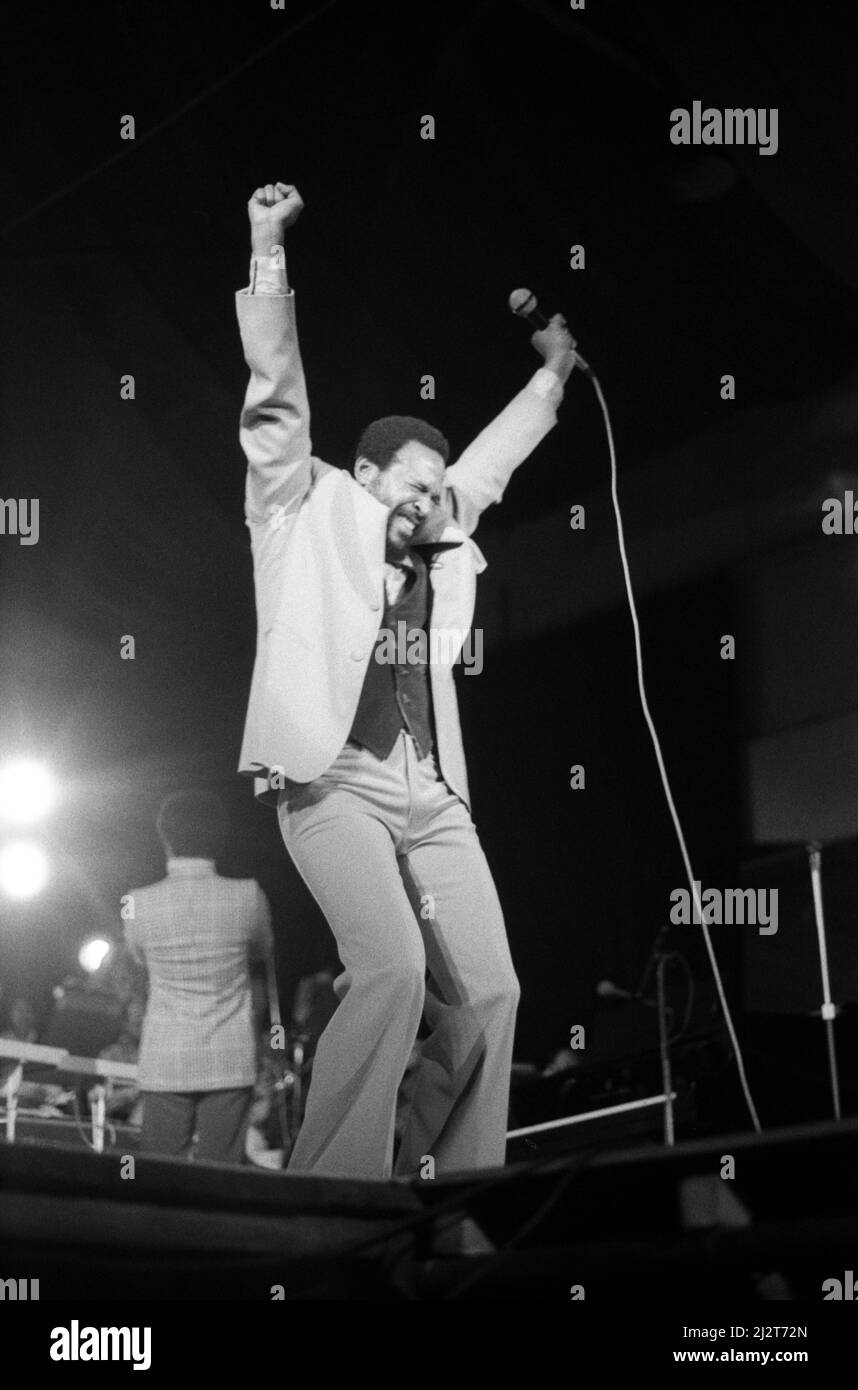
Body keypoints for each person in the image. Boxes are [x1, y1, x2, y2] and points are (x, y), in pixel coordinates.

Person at [236, 182, 576, 1180]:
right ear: (364, 476)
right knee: (390, 971)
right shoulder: (298, 512)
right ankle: (328, 1188)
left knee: (493, 993)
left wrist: (552, 377)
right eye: (414, 486)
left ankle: (444, 1183)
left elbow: (490, 466)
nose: (431, 501)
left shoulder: (436, 537)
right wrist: (267, 250)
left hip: (432, 793)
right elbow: (276, 392)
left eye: (437, 490)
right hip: (333, 783)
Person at [124, 790, 274, 1164]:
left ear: (165, 836)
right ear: (220, 838)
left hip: (165, 1056)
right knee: (219, 1176)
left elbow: (138, 958)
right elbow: (263, 950)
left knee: (160, 1174)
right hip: (229, 1054)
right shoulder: (248, 895)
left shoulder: (137, 903)